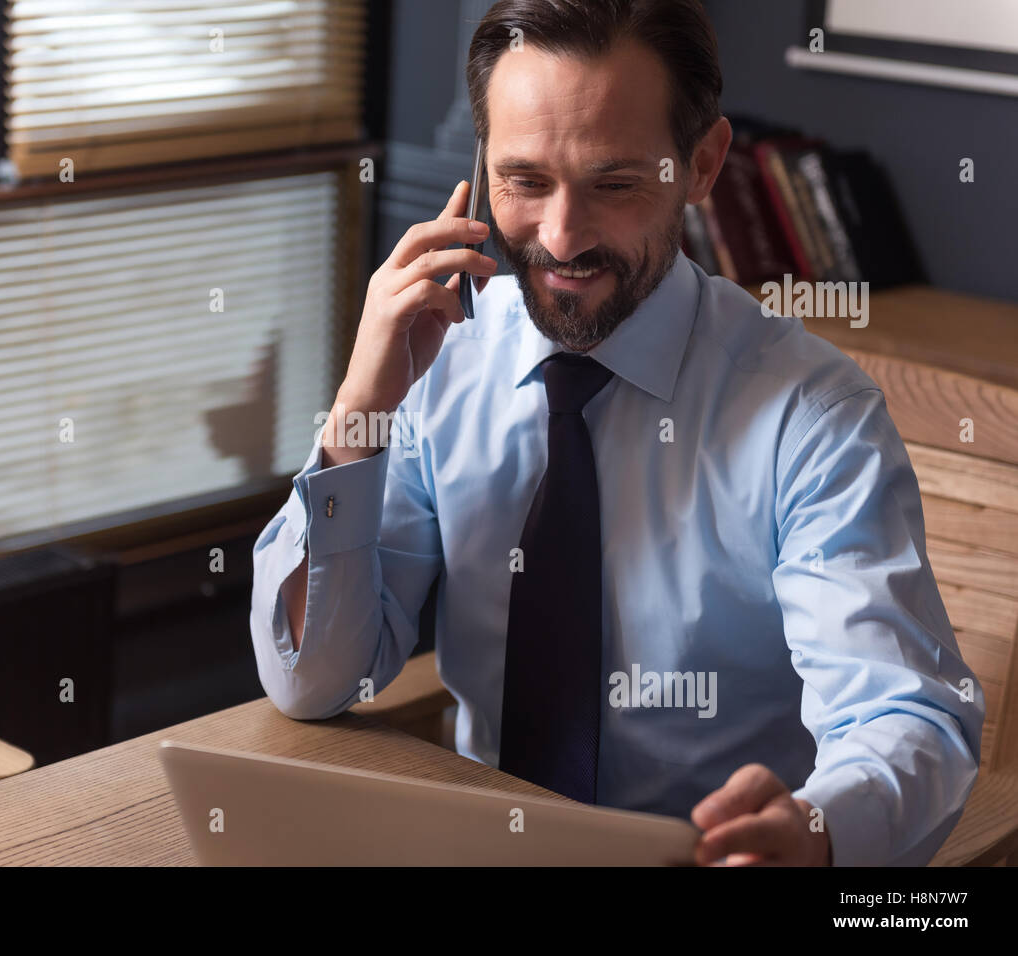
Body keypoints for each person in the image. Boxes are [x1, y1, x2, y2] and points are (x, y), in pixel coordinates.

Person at [249, 0, 982, 866]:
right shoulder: (437, 364)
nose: (562, 239)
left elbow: (906, 716)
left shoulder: (812, 419)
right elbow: (317, 679)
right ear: (483, 167)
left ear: (703, 165)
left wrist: (817, 832)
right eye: (525, 181)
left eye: (617, 183)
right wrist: (358, 413)